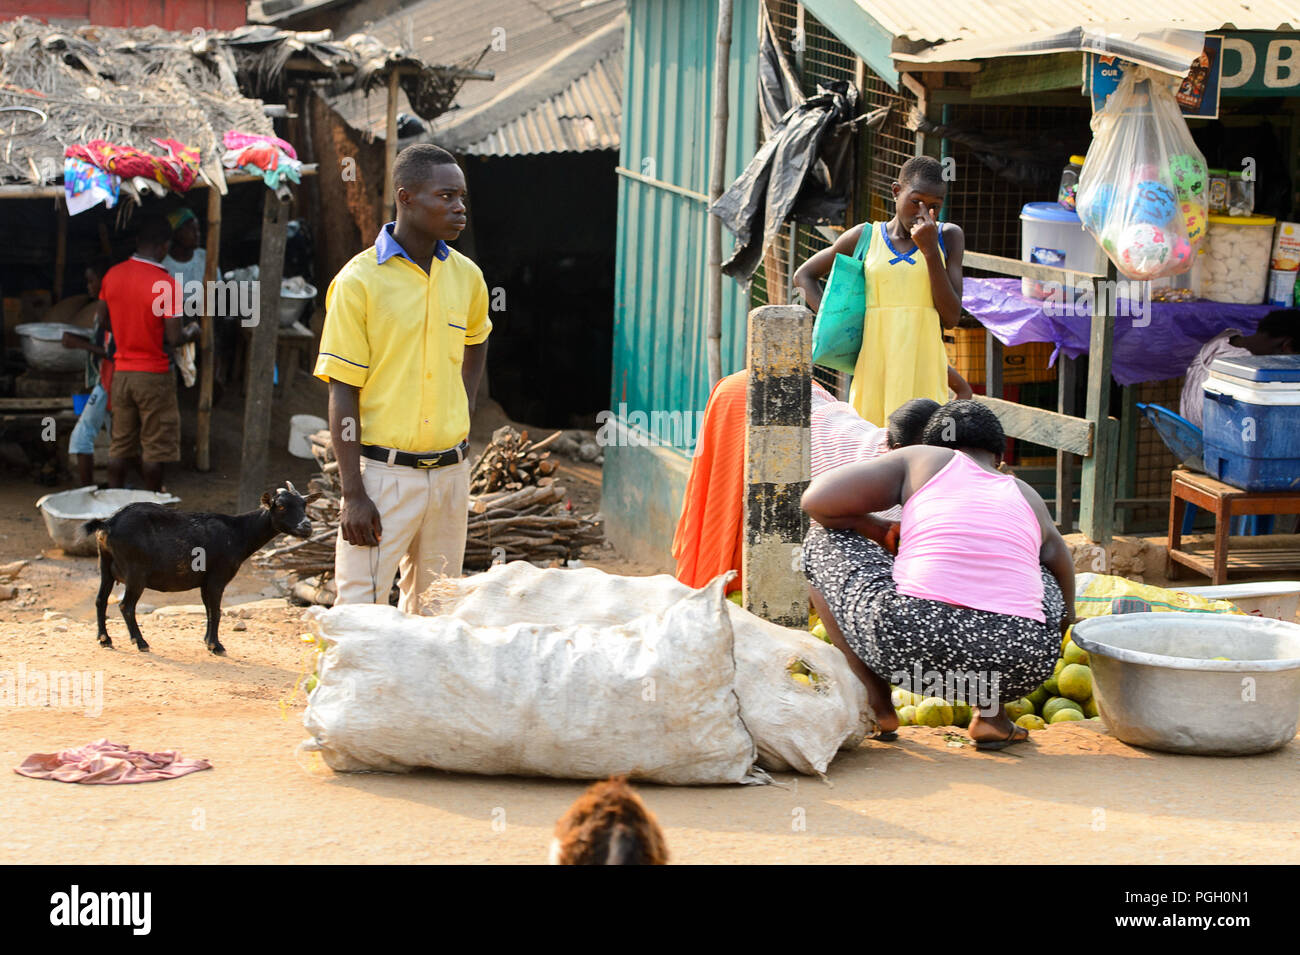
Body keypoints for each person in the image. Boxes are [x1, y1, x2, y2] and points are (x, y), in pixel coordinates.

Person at [801, 400, 1075, 751]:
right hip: (1021, 664)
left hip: (908, 648)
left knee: (820, 539)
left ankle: (879, 708)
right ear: (999, 459)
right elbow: (1059, 559)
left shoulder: (921, 458)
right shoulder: (1025, 493)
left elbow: (816, 500)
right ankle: (991, 717)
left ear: (931, 445)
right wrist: (1062, 619)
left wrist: (874, 527)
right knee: (1040, 568)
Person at [314, 144, 490, 612]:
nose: (459, 208)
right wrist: (353, 493)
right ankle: (349, 690)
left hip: (451, 475)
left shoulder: (468, 278)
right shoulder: (359, 282)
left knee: (437, 610)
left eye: (462, 197)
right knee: (360, 610)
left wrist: (463, 403)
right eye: (446, 196)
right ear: (406, 197)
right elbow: (343, 390)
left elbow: (478, 340)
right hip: (383, 478)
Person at [671, 366, 939, 592]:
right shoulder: (901, 489)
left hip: (790, 392)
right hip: (747, 400)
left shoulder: (923, 477)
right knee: (723, 508)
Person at [793, 155, 965, 426]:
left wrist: (930, 251)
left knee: (919, 447)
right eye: (915, 201)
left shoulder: (948, 237)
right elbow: (804, 276)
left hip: (924, 366)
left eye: (934, 207)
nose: (923, 213)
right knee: (870, 446)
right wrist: (843, 325)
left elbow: (951, 317)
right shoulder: (865, 237)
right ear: (896, 192)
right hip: (874, 365)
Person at [99, 214, 200, 491]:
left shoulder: (113, 275)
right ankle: (153, 507)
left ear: (137, 242)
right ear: (164, 247)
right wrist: (193, 331)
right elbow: (175, 337)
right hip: (153, 375)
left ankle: (114, 507)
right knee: (155, 448)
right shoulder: (166, 284)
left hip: (122, 375)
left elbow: (103, 321)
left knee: (119, 445)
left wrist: (125, 329)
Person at [1179, 309, 1300, 429]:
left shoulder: (1221, 342)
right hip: (1214, 439)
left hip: (1190, 433)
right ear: (1288, 347)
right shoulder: (1246, 369)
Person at [61, 256, 115, 486]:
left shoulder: (111, 309)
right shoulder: (101, 309)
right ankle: (102, 491)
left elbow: (113, 350)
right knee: (111, 439)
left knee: (86, 437)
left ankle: (91, 492)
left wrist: (78, 344)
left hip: (112, 381)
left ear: (104, 281)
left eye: (91, 281)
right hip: (104, 381)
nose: (88, 286)